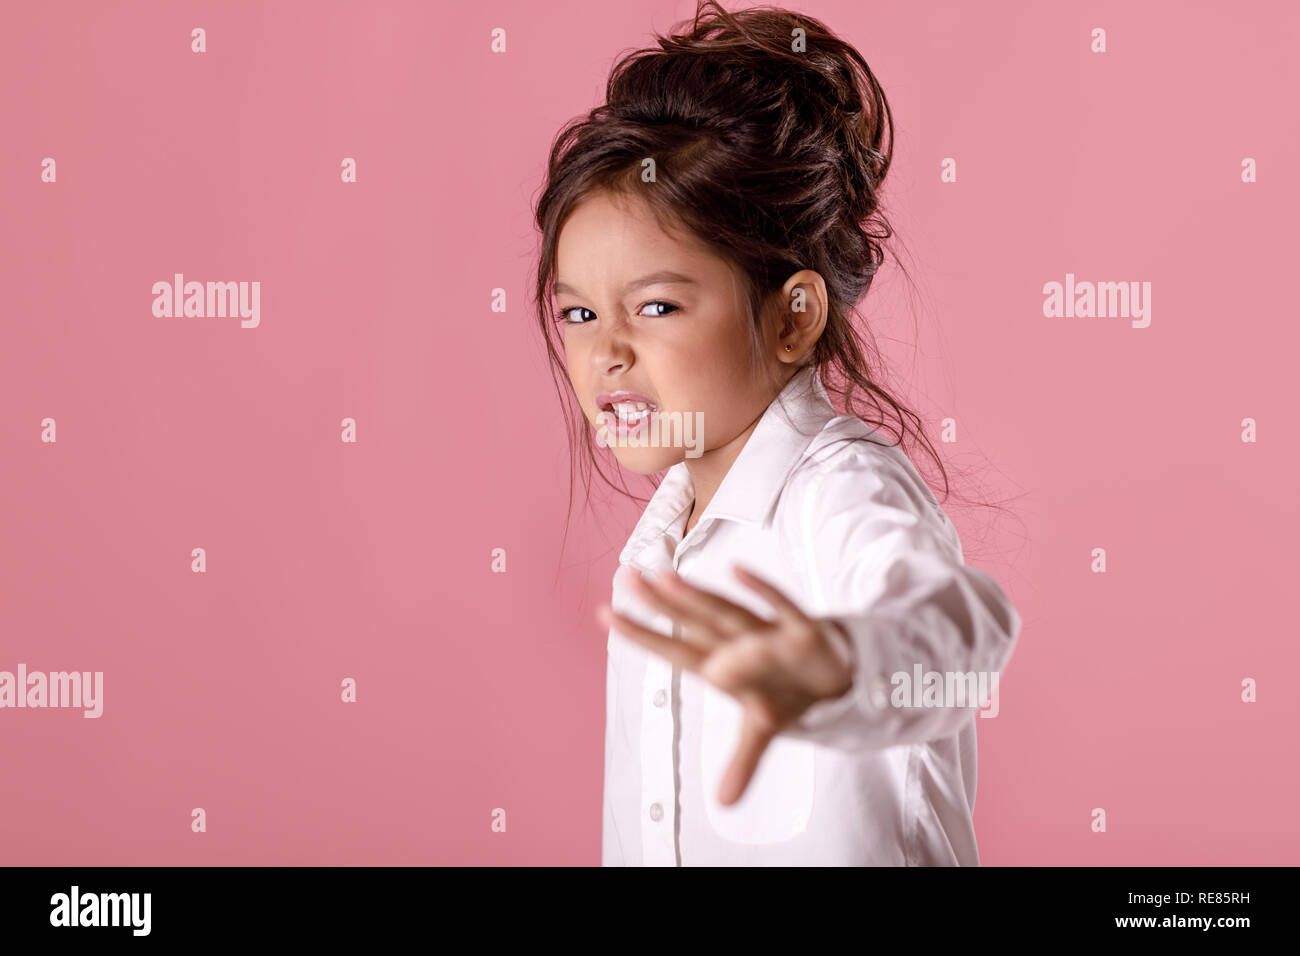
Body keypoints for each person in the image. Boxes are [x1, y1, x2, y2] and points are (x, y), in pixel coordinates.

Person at [531, 0, 1022, 865]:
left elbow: (964, 634)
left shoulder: (840, 488)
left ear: (794, 317)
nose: (605, 353)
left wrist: (840, 665)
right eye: (577, 312)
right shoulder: (661, 547)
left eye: (656, 306)